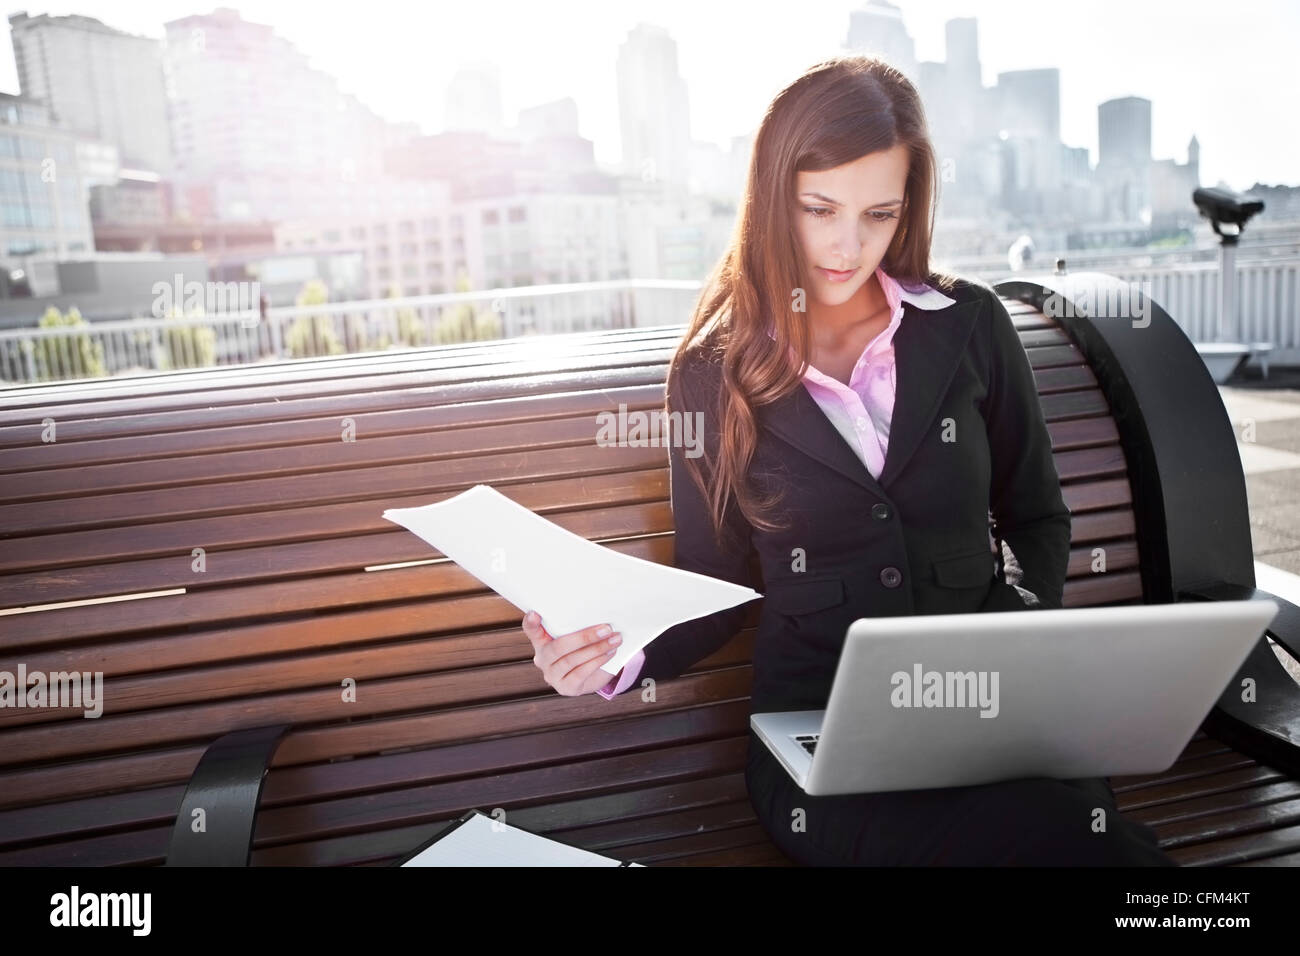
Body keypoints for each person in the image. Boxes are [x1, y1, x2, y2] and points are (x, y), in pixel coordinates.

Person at [522, 54, 1174, 867]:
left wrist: (1019, 635)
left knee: (1069, 839)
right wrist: (614, 657)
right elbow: (718, 586)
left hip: (994, 708)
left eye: (879, 214)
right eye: (820, 209)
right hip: (822, 745)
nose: (848, 245)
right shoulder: (709, 374)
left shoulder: (970, 325)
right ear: (771, 202)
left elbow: (1037, 515)